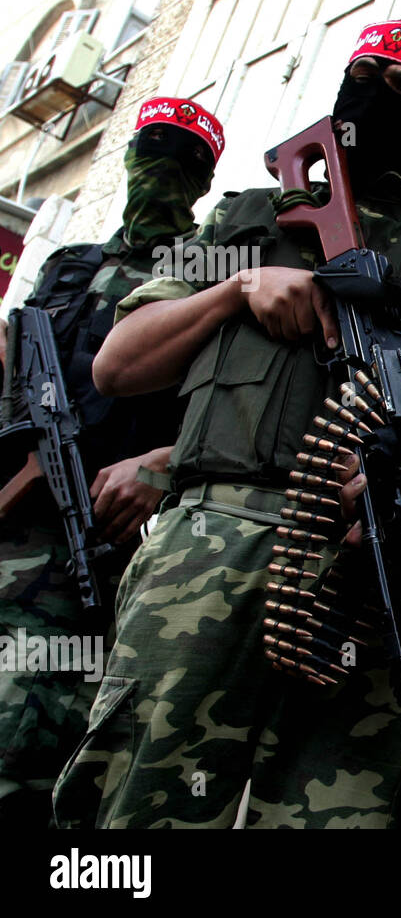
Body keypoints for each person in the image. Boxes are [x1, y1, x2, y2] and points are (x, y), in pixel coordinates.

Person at [53, 20, 401, 828]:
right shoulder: (245, 217)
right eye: (366, 72)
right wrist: (236, 291)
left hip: (379, 562)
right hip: (209, 546)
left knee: (355, 812)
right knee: (135, 807)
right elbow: (119, 365)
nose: (378, 91)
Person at [0, 96, 222, 827]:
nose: (162, 169)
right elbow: (18, 381)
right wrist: (24, 462)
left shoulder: (203, 275)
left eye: (184, 157)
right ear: (128, 159)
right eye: (151, 147)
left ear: (204, 178)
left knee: (46, 745)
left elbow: (225, 411)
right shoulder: (68, 267)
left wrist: (162, 471)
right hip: (18, 534)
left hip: (118, 547)